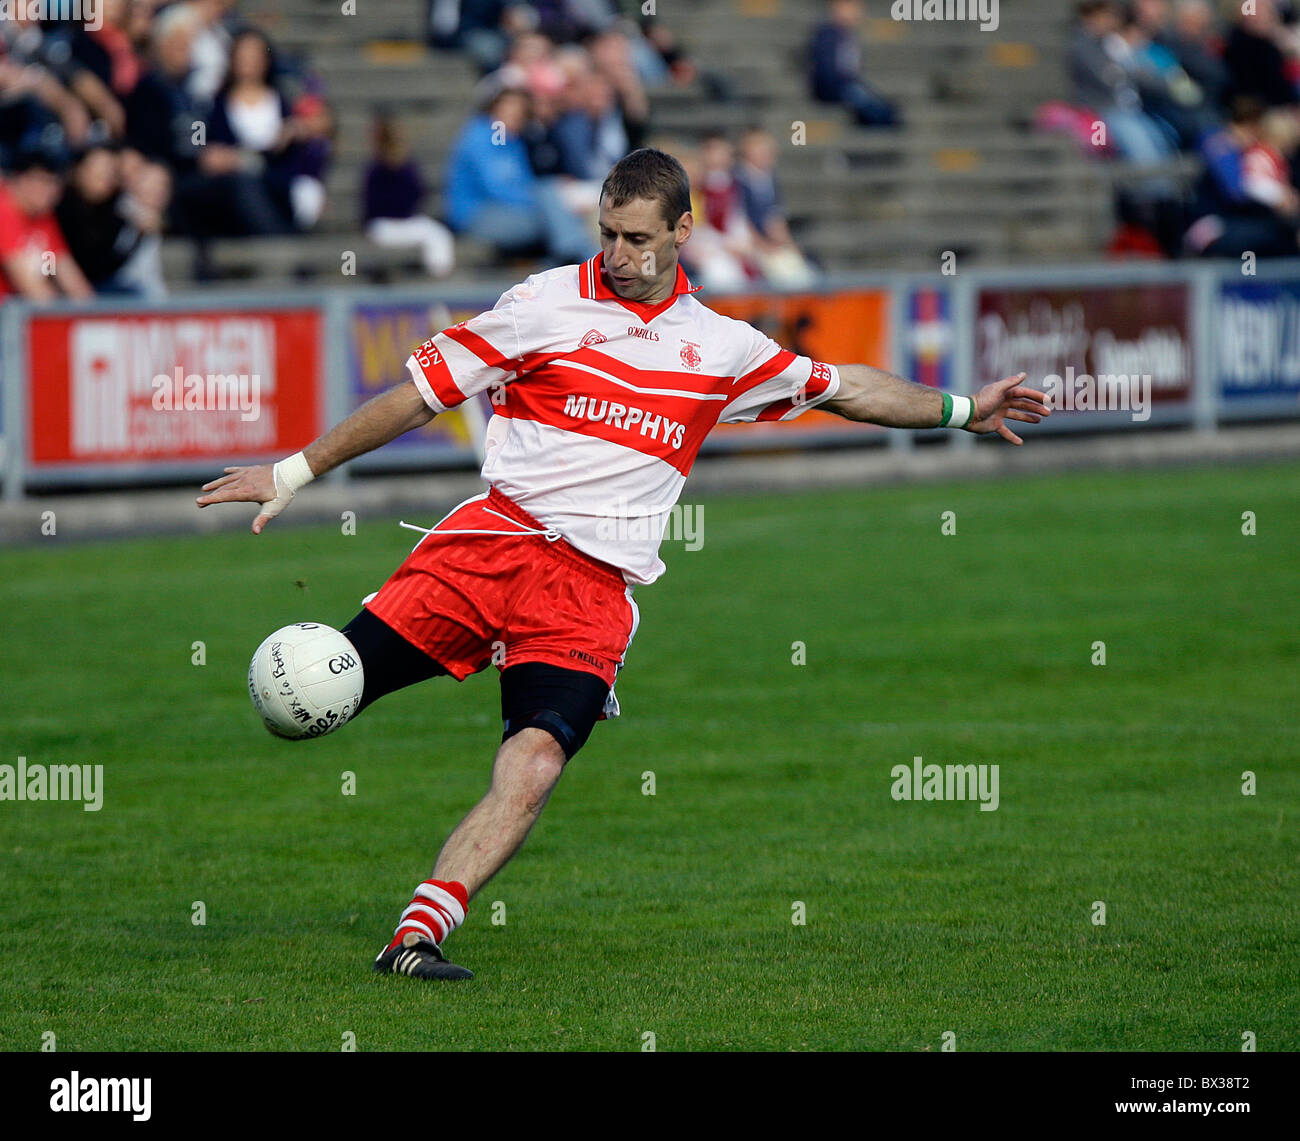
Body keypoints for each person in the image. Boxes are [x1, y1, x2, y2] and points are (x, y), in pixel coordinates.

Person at [195, 148, 1049, 981]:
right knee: (330, 689)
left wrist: (964, 407)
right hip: (489, 547)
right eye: (608, 233)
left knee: (532, 763)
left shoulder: (721, 347)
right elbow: (418, 395)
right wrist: (294, 470)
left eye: (639, 238)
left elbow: (847, 388)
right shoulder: (538, 305)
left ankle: (415, 935)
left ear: (684, 229)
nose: (619, 254)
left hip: (589, 594)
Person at [362, 113, 455, 278]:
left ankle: (439, 281)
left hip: (407, 222)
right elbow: (373, 206)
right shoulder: (376, 169)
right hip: (383, 226)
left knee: (439, 234)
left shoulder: (408, 167)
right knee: (431, 233)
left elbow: (418, 195)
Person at [0, 149, 94, 300]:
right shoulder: (4, 211)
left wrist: (91, 314)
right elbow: (31, 288)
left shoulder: (42, 216)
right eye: (43, 181)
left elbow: (64, 271)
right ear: (19, 179)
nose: (50, 192)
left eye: (54, 183)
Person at [809, 0, 900, 128]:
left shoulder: (847, 36)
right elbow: (827, 71)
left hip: (847, 86)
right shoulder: (828, 34)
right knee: (879, 112)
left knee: (887, 110)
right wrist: (843, 88)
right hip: (835, 88)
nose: (857, 13)